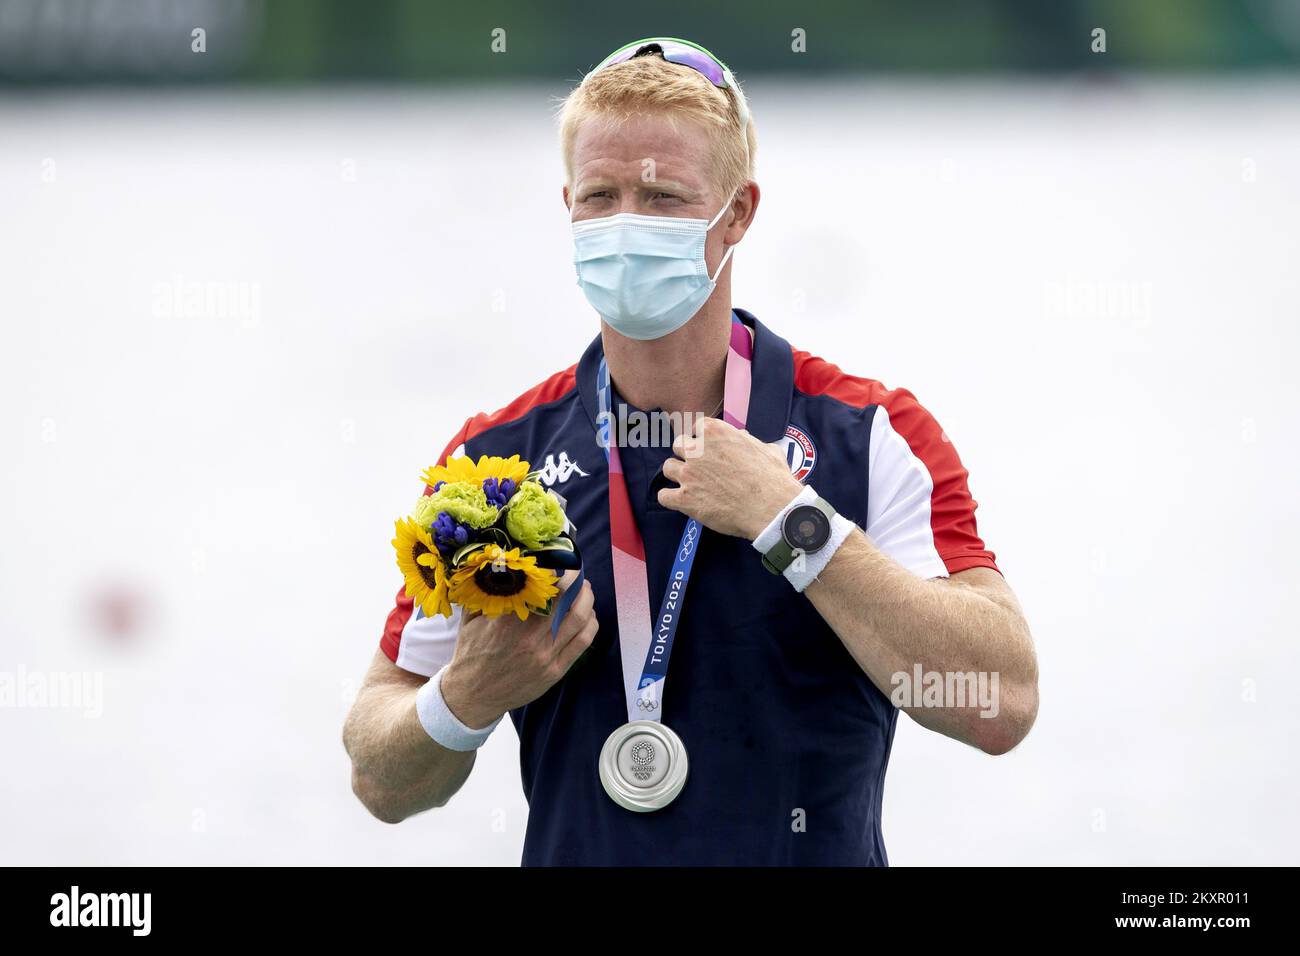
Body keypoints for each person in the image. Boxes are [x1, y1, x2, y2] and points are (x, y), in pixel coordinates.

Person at [343, 38, 1038, 866]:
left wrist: (794, 523)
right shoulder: (496, 463)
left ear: (737, 214)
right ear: (567, 205)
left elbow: (1001, 702)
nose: (625, 223)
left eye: (663, 196)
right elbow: (377, 777)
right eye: (600, 196)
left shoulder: (871, 433)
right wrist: (465, 696)